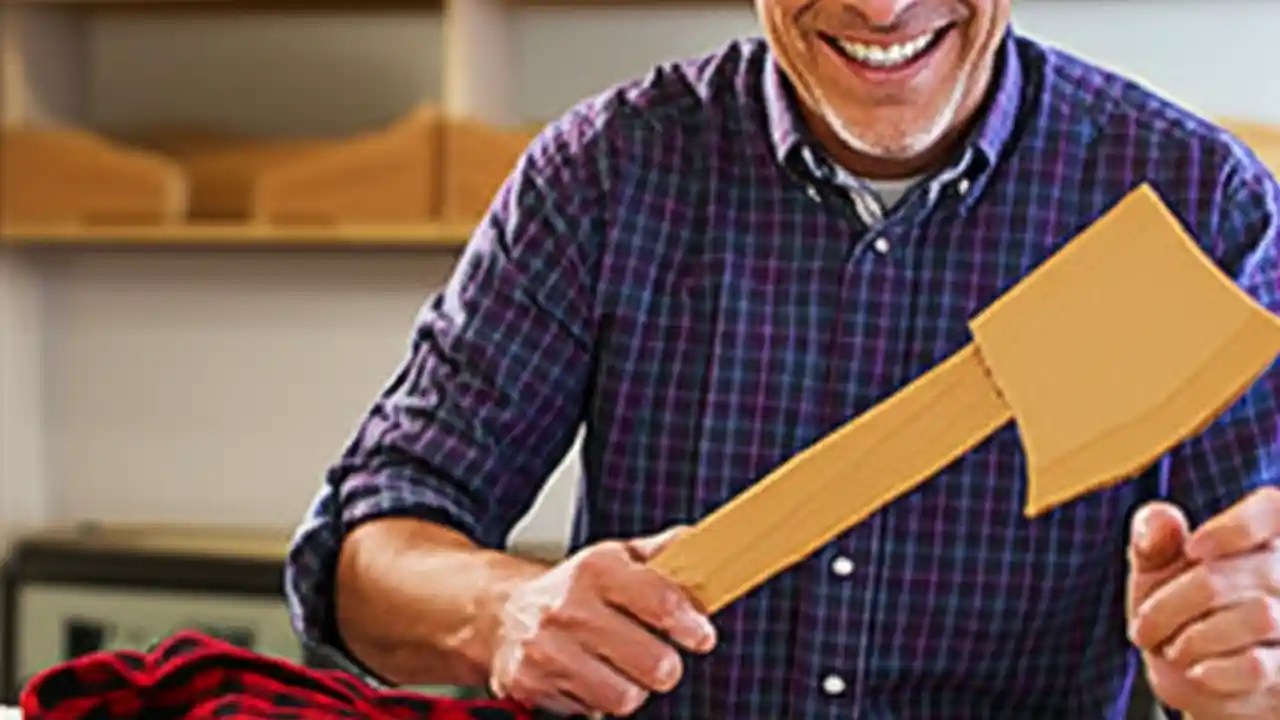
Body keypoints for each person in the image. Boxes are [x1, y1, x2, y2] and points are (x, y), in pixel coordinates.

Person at [284, 0, 1280, 717]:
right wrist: (503, 611)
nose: (880, 7)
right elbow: (363, 560)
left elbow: (1258, 600)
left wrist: (1246, 672)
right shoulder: (605, 171)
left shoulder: (1195, 207)